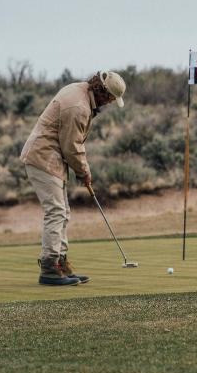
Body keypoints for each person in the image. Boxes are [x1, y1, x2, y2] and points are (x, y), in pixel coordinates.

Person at [20, 71, 127, 285]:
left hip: (51, 158)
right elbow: (72, 147)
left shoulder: (80, 90)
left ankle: (61, 264)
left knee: (63, 211)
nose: (109, 104)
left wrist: (81, 170)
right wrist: (84, 172)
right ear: (104, 94)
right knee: (56, 211)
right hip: (43, 158)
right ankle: (50, 269)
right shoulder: (78, 107)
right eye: (111, 99)